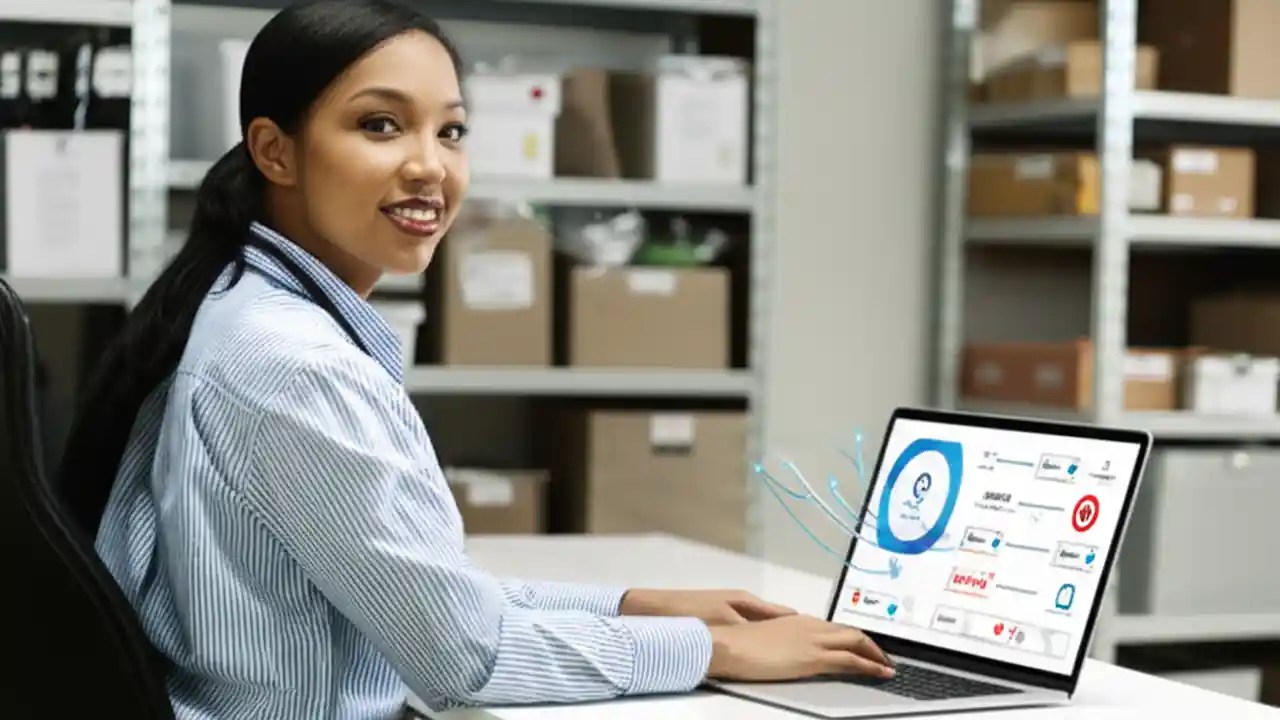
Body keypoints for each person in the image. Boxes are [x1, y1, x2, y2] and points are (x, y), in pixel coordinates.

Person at [56, 0, 895, 717]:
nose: (430, 166)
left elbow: (431, 598)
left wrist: (639, 605)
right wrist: (715, 653)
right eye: (380, 125)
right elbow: (466, 655)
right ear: (275, 151)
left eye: (450, 130)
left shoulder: (247, 308)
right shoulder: (294, 364)